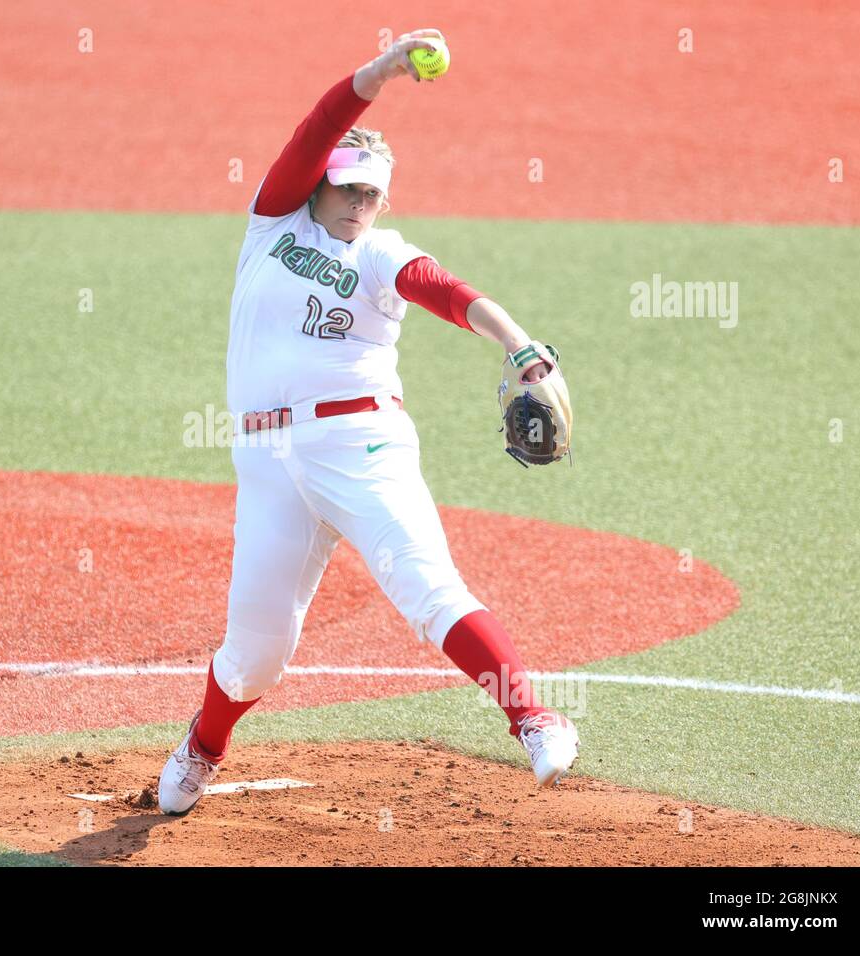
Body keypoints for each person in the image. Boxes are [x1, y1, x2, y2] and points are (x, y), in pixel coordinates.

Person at [158, 28, 579, 816]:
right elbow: (314, 128)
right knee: (255, 655)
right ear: (319, 184)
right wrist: (381, 71)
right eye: (347, 187)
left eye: (371, 192)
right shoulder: (274, 225)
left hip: (361, 442)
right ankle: (203, 747)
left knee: (424, 584)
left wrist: (523, 348)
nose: (358, 203)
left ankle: (534, 717)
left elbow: (450, 292)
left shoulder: (383, 254)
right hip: (266, 459)